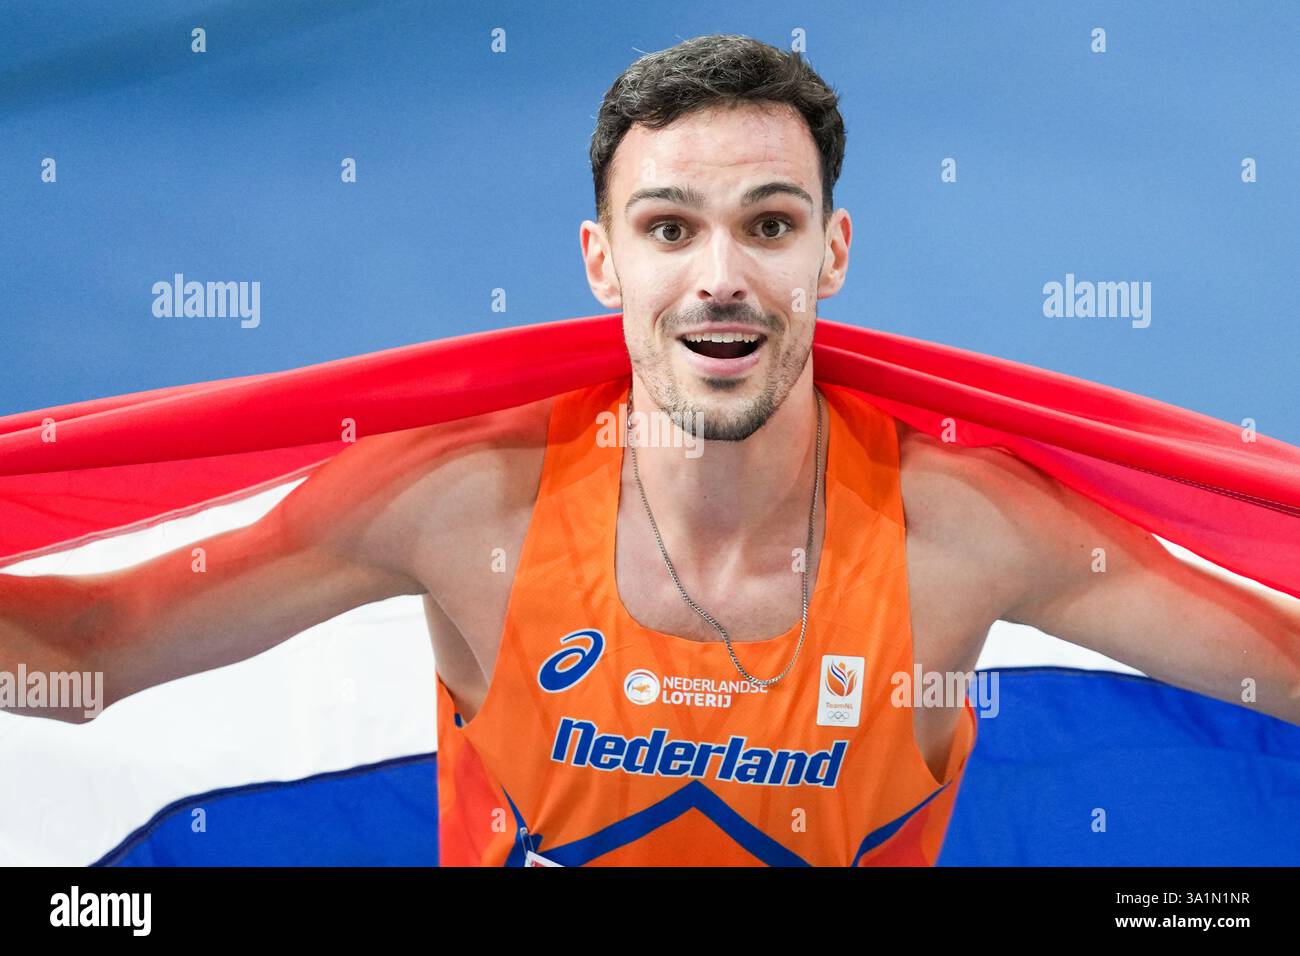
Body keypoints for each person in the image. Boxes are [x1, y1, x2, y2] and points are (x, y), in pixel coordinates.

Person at [3, 35, 1298, 866]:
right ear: (601, 262)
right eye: (670, 229)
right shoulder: (458, 507)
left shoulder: (960, 530)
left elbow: (1278, 676)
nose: (722, 277)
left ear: (830, 255)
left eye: (770, 225)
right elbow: (89, 652)